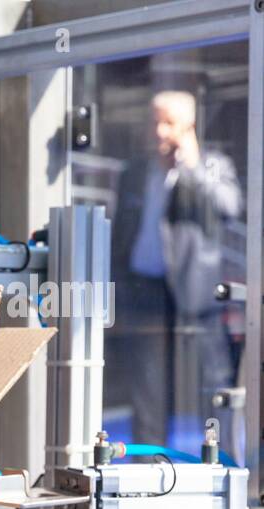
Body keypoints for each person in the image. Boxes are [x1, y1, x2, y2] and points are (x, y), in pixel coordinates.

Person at [109, 90, 241, 446]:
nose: (159, 132)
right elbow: (120, 230)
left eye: (168, 123)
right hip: (144, 290)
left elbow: (229, 206)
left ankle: (220, 463)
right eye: (153, 121)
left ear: (189, 127)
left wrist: (193, 165)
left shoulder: (211, 166)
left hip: (196, 294)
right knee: (148, 388)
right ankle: (147, 469)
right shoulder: (135, 171)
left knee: (210, 386)